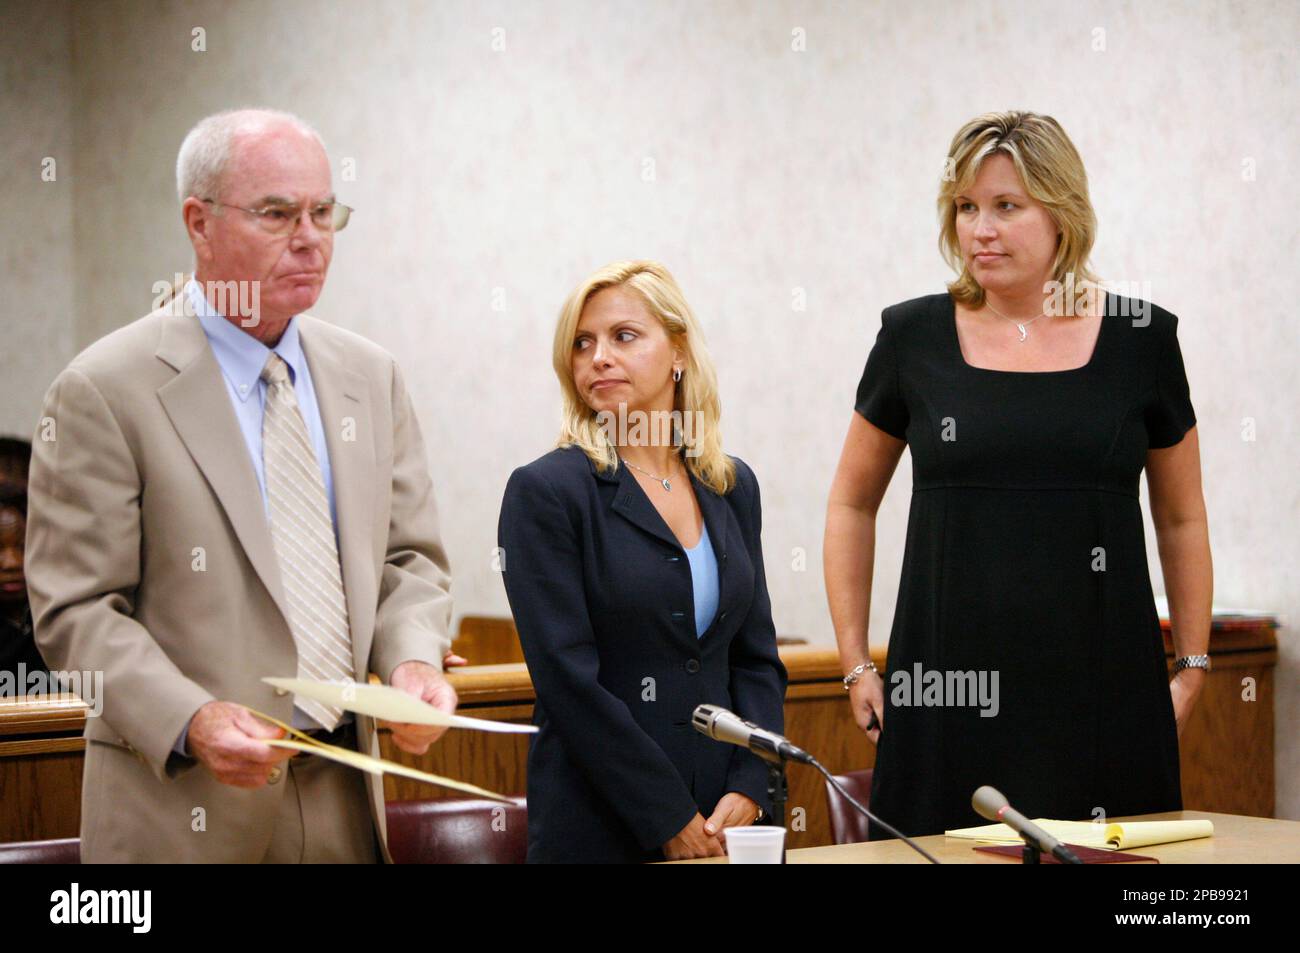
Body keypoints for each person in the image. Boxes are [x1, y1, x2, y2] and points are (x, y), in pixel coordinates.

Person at [25, 108, 460, 862]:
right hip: (185, 806)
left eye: (325, 212)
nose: (310, 238)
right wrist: (191, 717)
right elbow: (75, 611)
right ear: (199, 223)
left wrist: (414, 658)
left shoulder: (369, 376)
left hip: (347, 798)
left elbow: (408, 561)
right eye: (277, 213)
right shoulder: (102, 388)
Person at [824, 111, 1212, 838]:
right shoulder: (912, 337)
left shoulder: (1143, 339)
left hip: (1105, 692)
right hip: (946, 689)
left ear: (1062, 213)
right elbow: (850, 502)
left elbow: (1183, 516)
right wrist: (854, 663)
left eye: (1006, 206)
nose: (980, 229)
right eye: (966, 208)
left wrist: (1191, 666)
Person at [498, 260, 788, 862]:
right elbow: (568, 684)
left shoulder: (732, 486)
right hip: (599, 823)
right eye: (582, 344)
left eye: (623, 336)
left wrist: (750, 783)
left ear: (678, 351)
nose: (599, 357)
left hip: (724, 821)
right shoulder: (548, 491)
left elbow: (755, 659)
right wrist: (667, 815)